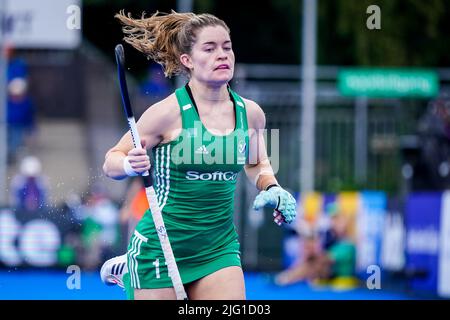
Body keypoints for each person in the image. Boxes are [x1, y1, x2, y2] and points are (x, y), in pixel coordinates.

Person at [101, 10, 297, 300]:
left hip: (218, 249)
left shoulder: (251, 114)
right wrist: (129, 164)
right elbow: (111, 161)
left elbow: (257, 163)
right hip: (161, 245)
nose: (223, 55)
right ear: (187, 61)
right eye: (210, 48)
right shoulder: (166, 114)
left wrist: (273, 187)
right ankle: (134, 267)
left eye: (227, 47)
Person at [274, 202, 356, 287]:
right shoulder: (331, 237)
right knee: (312, 261)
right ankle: (288, 277)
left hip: (342, 280)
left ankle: (288, 277)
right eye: (333, 219)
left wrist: (312, 254)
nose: (334, 223)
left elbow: (326, 259)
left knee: (314, 263)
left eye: (338, 219)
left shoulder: (347, 243)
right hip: (329, 275)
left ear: (345, 220)